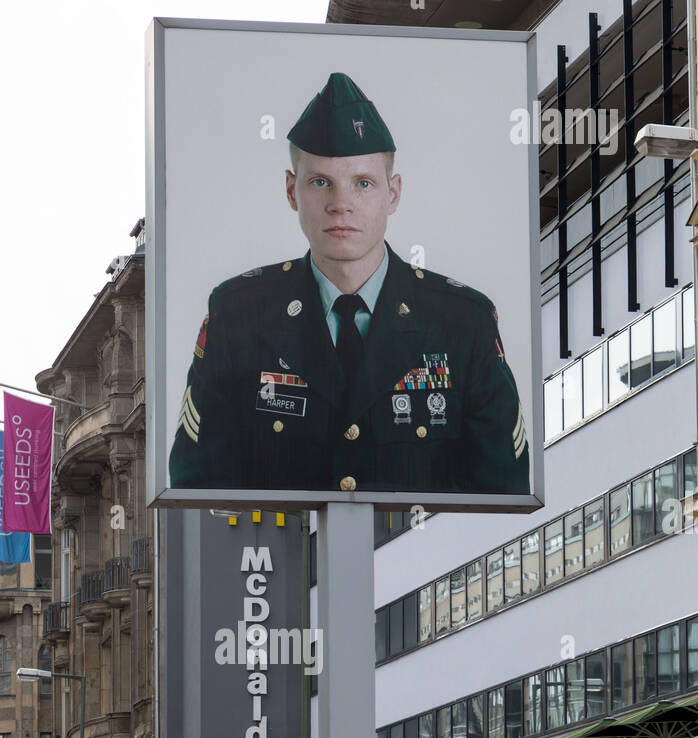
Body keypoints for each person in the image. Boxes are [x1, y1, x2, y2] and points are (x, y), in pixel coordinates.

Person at [169, 72, 530, 497]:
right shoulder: (239, 315)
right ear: (291, 190)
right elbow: (198, 491)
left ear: (392, 193)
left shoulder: (462, 322)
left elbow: (502, 492)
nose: (341, 204)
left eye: (363, 183)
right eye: (321, 182)